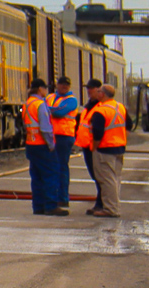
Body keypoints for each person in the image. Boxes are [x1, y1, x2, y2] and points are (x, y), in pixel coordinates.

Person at [89, 84, 129, 218]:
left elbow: (98, 133)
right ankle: (114, 206)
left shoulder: (101, 111)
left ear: (102, 94)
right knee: (115, 178)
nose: (96, 92)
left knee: (107, 179)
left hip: (105, 149)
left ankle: (111, 209)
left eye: (99, 91)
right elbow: (128, 125)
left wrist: (94, 147)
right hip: (119, 147)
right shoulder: (120, 107)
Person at [46, 76, 79, 216]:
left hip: (64, 137)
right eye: (62, 84)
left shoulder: (72, 100)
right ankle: (55, 197)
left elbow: (59, 113)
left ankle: (63, 198)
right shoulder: (50, 97)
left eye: (67, 84)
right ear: (57, 85)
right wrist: (52, 109)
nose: (64, 86)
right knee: (52, 167)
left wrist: (49, 110)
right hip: (52, 136)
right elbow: (46, 109)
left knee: (61, 167)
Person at [21, 80, 55, 215]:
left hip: (31, 144)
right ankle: (51, 206)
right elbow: (45, 128)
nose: (46, 91)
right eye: (45, 88)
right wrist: (51, 145)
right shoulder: (40, 104)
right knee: (49, 175)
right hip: (42, 145)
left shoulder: (27, 104)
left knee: (36, 178)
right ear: (40, 89)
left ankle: (38, 206)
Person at [76, 78, 102, 213]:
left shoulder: (101, 107)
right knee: (95, 176)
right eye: (88, 89)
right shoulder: (88, 107)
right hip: (87, 146)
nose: (89, 91)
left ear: (99, 90)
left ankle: (101, 204)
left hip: (96, 147)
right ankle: (100, 203)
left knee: (100, 176)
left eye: (91, 89)